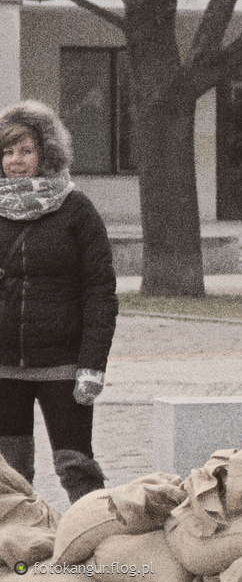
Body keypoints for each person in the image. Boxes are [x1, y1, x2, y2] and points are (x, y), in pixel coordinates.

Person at [0, 101, 117, 502]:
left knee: (76, 467)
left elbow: (100, 292)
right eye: (7, 151)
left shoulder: (76, 209)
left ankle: (93, 535)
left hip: (62, 364)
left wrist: (92, 364)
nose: (15, 161)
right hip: (3, 365)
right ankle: (16, 540)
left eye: (26, 150)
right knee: (9, 477)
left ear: (46, 154)